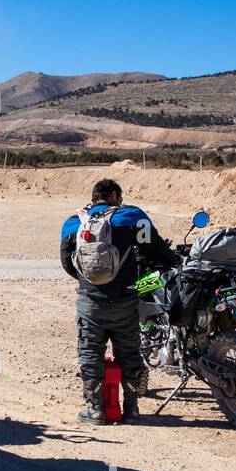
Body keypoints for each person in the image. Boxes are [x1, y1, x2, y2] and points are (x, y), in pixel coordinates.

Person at [61, 178, 180, 423]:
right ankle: (132, 409)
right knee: (129, 352)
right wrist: (175, 260)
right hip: (125, 299)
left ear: (94, 197)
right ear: (114, 195)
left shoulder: (74, 223)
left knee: (90, 352)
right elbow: (156, 249)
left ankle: (95, 410)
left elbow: (67, 263)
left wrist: (90, 282)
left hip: (90, 302)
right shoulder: (132, 217)